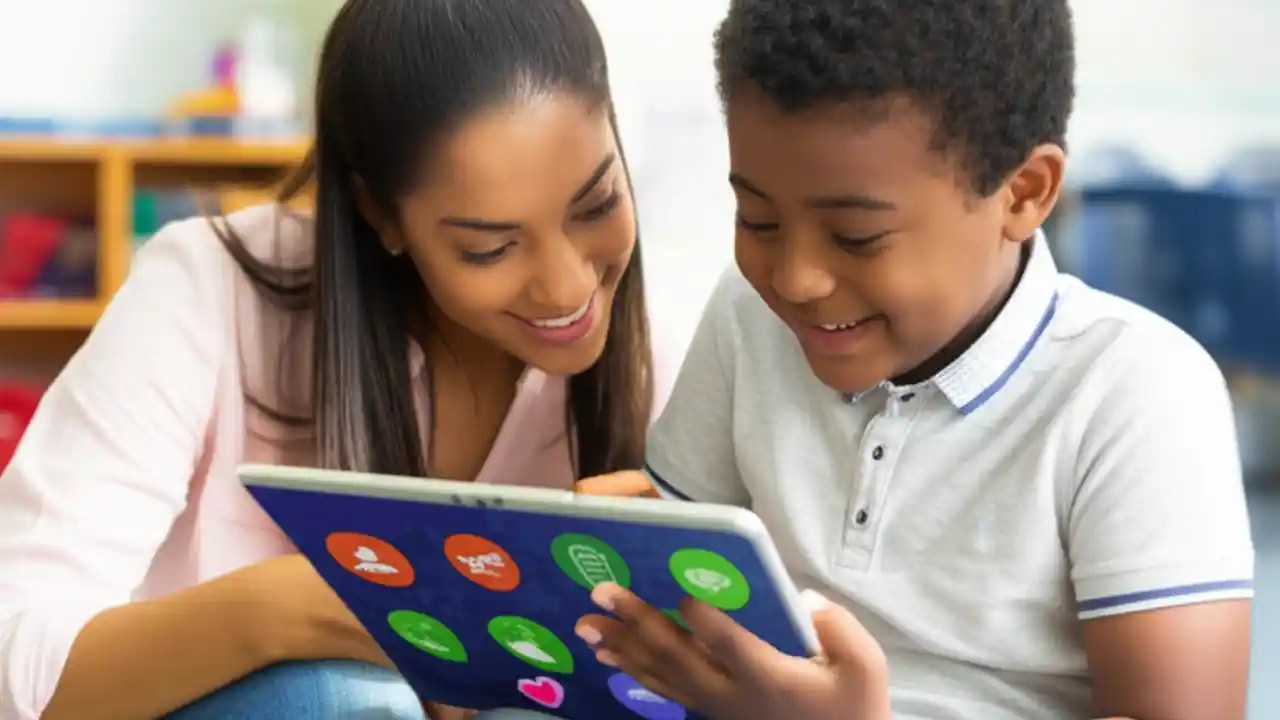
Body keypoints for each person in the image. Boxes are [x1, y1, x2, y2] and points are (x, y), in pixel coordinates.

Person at [576, 1, 1254, 719]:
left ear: (1023, 193)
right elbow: (683, 556)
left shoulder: (1137, 393)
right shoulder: (750, 313)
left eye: (858, 236)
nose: (795, 277)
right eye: (759, 220)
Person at [0, 1, 661, 718]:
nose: (567, 286)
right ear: (380, 214)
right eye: (490, 248)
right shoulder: (207, 292)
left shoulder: (648, 362)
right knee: (342, 700)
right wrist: (296, 607)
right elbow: (18, 654)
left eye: (596, 203)